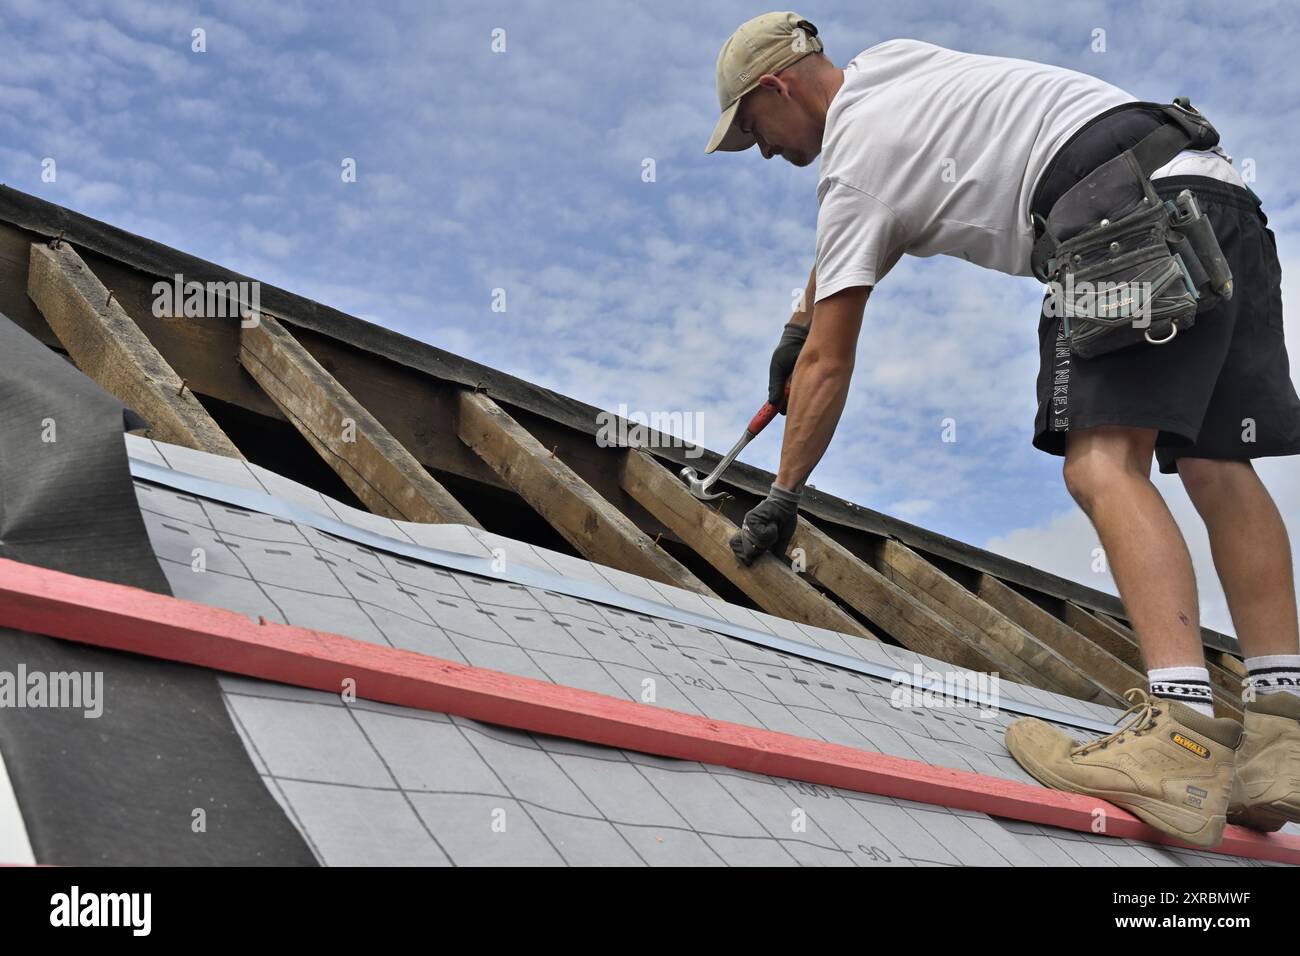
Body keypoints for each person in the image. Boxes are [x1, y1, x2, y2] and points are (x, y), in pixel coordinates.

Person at [706, 11, 1300, 848]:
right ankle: (1283, 733)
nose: (759, 150)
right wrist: (799, 320)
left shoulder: (851, 173)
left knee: (1101, 466)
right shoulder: (892, 69)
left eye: (752, 129)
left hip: (1116, 221)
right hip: (1212, 191)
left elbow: (830, 365)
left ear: (776, 86)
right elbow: (849, 230)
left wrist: (782, 493)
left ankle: (1181, 734)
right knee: (1216, 464)